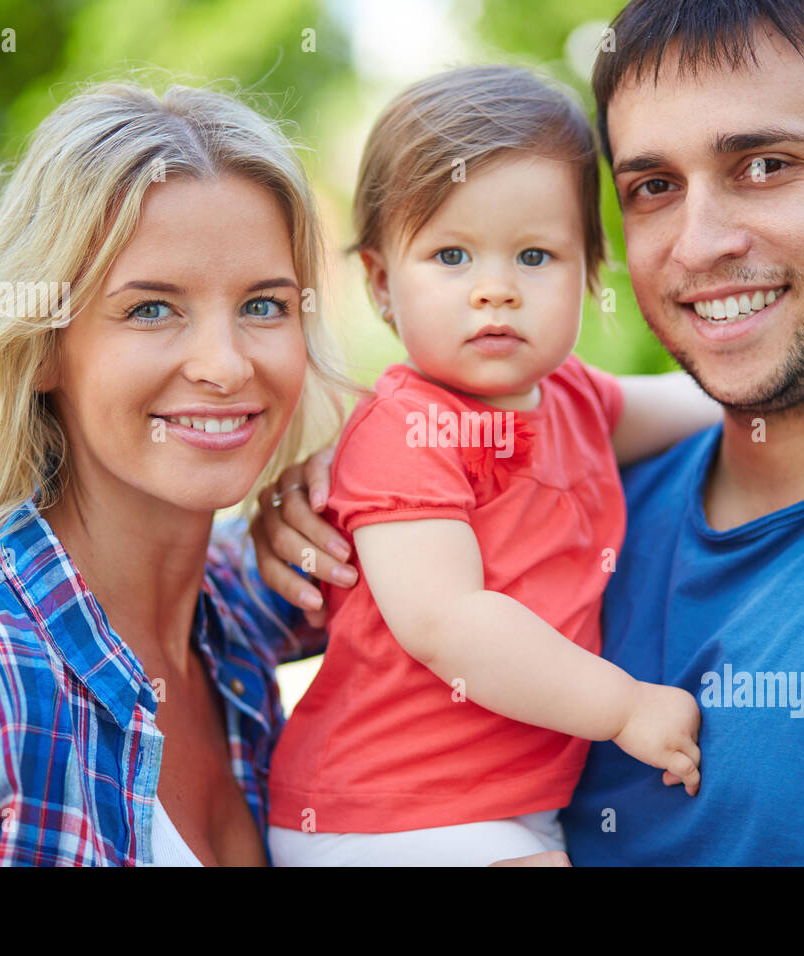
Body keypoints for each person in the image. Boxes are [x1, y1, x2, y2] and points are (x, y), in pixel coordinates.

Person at [257, 0, 804, 866]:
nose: (698, 245)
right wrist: (317, 493)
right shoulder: (602, 485)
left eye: (765, 165)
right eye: (654, 187)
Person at [0, 81, 346, 865]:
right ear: (42, 349)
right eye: (151, 309)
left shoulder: (243, 609)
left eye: (263, 305)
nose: (227, 366)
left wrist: (349, 483)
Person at [262, 65, 720, 867]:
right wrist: (623, 708)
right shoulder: (408, 432)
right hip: (386, 807)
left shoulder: (576, 398)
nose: (495, 290)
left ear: (590, 273)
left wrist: (775, 392)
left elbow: (704, 400)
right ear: (381, 282)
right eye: (452, 255)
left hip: (503, 804)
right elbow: (449, 624)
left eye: (536, 255)